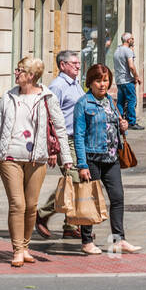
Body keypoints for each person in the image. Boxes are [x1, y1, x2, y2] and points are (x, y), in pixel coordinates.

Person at [0, 56, 75, 267]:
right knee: (17, 204)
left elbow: (60, 128)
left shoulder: (47, 97)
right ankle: (17, 249)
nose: (16, 73)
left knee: (31, 206)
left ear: (31, 76)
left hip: (37, 159)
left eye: (20, 70)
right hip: (10, 157)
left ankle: (25, 247)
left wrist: (66, 159)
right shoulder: (8, 97)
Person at [73, 64, 141, 255]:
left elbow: (114, 124)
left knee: (117, 197)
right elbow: (78, 135)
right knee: (91, 200)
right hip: (92, 158)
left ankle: (118, 240)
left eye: (105, 80)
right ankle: (86, 241)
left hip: (111, 158)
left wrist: (123, 125)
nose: (103, 85)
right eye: (98, 81)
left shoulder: (110, 101)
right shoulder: (83, 103)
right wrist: (82, 164)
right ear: (90, 82)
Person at [36, 50, 86, 239]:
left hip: (78, 140)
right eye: (74, 63)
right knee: (73, 181)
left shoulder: (75, 84)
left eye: (78, 63)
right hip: (65, 141)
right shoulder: (57, 86)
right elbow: (48, 116)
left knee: (78, 182)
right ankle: (42, 214)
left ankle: (70, 226)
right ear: (62, 65)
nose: (78, 66)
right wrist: (52, 147)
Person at [112, 32, 143, 130]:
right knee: (131, 101)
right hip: (127, 80)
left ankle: (119, 121)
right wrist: (136, 77)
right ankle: (131, 122)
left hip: (119, 80)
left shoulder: (117, 50)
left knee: (120, 102)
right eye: (132, 39)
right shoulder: (128, 51)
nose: (133, 41)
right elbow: (131, 66)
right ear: (129, 40)